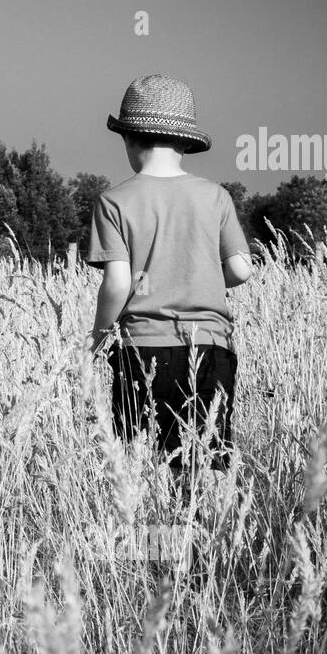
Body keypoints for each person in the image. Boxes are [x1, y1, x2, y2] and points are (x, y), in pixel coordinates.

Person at [85, 74, 252, 473]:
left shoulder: (114, 202)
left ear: (128, 138)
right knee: (204, 467)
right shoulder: (216, 197)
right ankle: (199, 515)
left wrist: (97, 338)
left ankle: (152, 517)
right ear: (185, 144)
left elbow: (118, 282)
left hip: (141, 351)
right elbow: (241, 270)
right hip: (210, 348)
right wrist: (201, 276)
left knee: (140, 468)